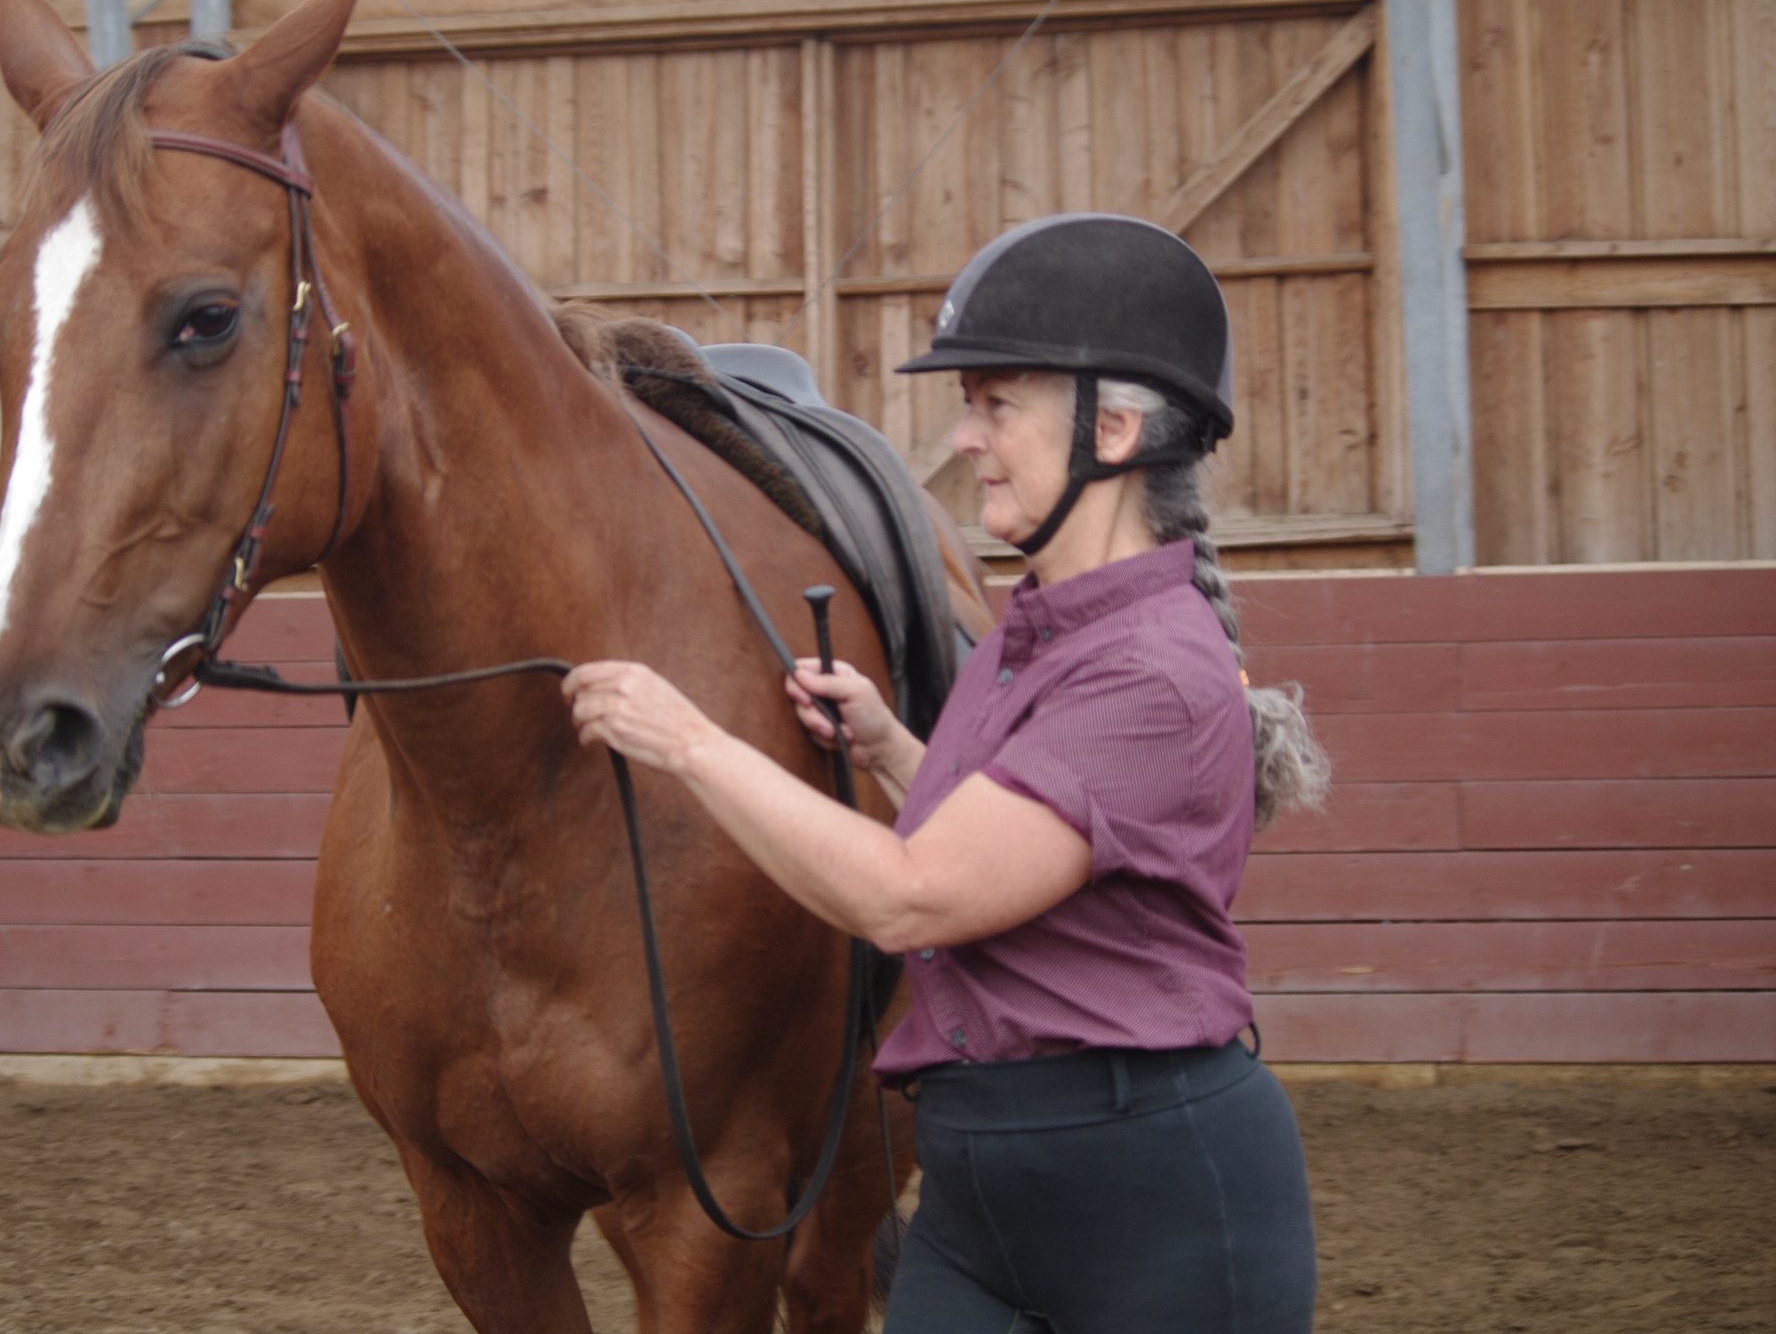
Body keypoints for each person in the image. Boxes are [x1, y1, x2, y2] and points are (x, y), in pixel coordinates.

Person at [563, 213, 1329, 1333]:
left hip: (1147, 1196)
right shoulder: (1039, 632)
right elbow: (1032, 844)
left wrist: (685, 738)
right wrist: (885, 744)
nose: (965, 437)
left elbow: (910, 892)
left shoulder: (1151, 671)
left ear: (1111, 430)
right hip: (978, 1193)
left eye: (995, 404)